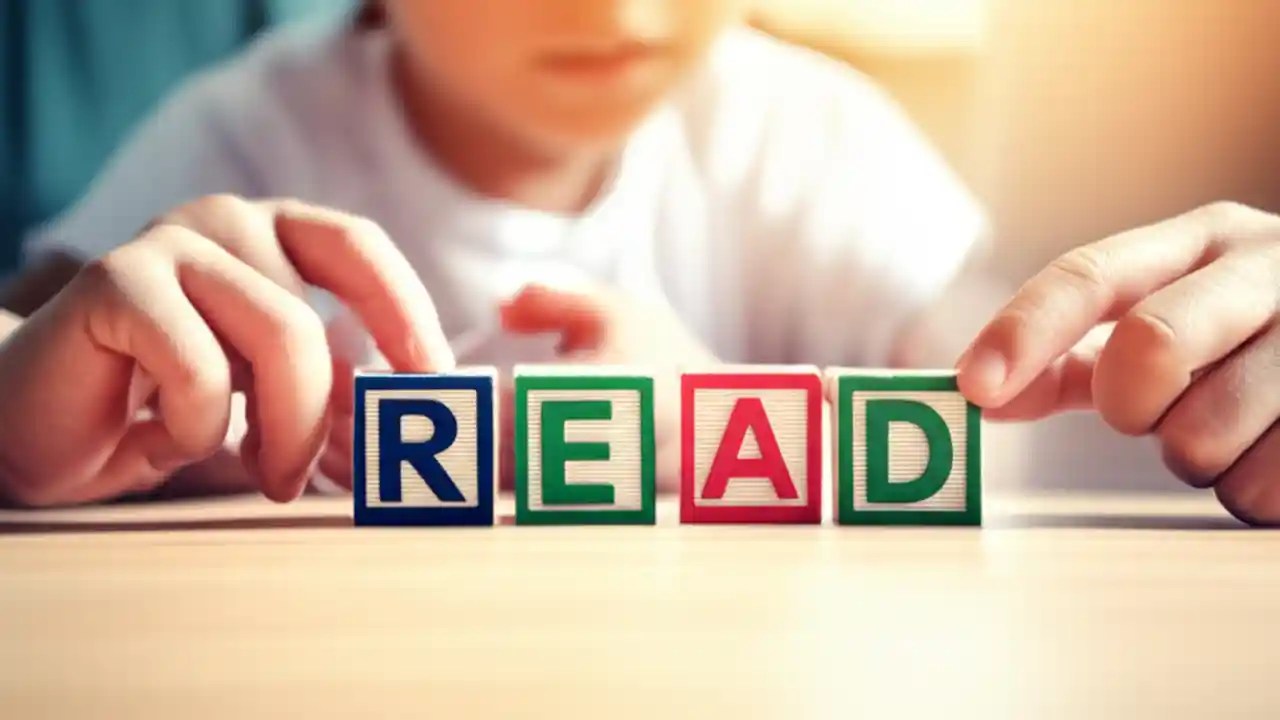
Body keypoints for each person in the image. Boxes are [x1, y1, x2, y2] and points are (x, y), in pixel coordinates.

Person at [0, 2, 1275, 524]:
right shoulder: (236, 128)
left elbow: (993, 417)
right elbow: (48, 336)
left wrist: (727, 419)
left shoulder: (801, 129)